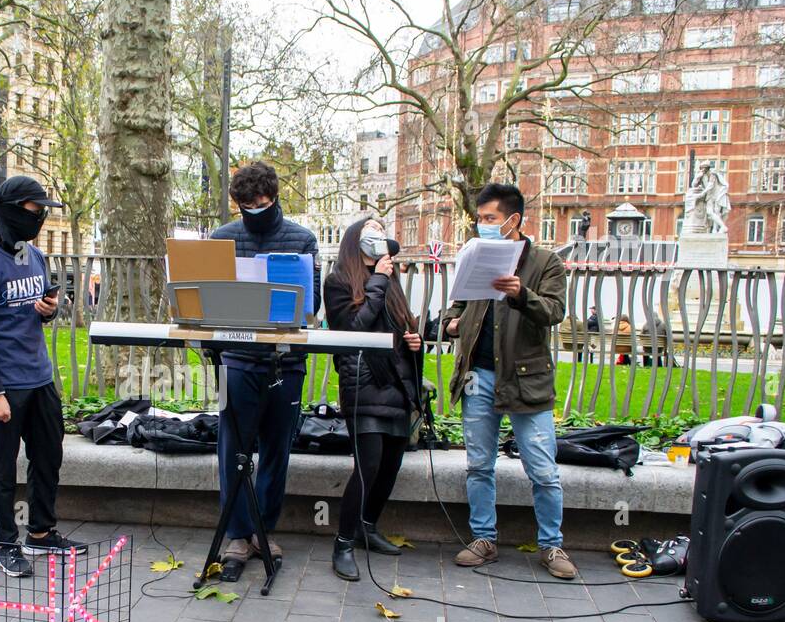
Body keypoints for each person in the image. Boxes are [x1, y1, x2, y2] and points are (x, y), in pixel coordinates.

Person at [441, 183, 578, 580]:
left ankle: (551, 545)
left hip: (526, 382)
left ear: (513, 220)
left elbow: (554, 312)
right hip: (478, 377)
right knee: (479, 464)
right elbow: (458, 303)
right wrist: (452, 322)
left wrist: (522, 295)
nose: (482, 226)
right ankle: (483, 538)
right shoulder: (474, 255)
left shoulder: (545, 262)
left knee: (543, 469)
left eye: (490, 219)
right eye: (479, 219)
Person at [0, 176, 88, 578]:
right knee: (1, 468)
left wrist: (47, 310)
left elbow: (33, 310)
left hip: (39, 377)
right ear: (11, 210)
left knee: (49, 455)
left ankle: (42, 532)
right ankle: (5, 543)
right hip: (4, 385)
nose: (41, 218)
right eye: (35, 210)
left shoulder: (32, 255)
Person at [209, 161, 320, 581]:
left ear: (274, 197)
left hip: (286, 360)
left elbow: (314, 304)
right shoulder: (222, 239)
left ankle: (263, 529)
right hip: (235, 361)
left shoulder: (302, 239)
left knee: (277, 446)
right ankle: (237, 533)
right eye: (244, 204)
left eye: (260, 202)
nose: (253, 209)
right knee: (231, 447)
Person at [323, 217, 423, 581]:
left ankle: (368, 526)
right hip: (362, 385)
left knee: (390, 466)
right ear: (355, 240)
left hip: (397, 385)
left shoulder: (390, 281)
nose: (380, 238)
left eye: (383, 231)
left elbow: (401, 327)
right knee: (367, 467)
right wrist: (379, 278)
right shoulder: (337, 283)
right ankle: (343, 542)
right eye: (372, 232)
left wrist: (415, 342)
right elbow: (354, 328)